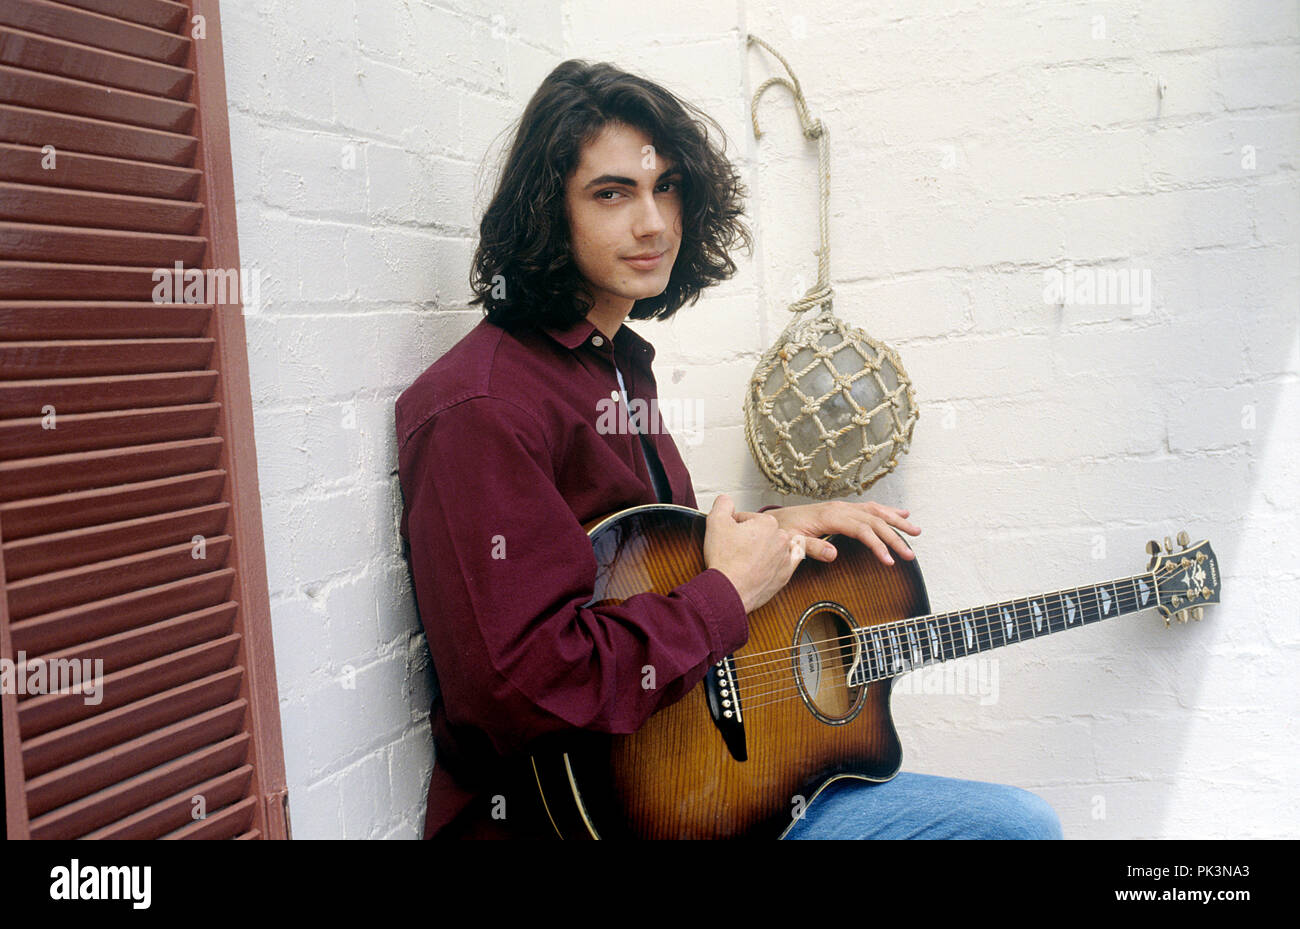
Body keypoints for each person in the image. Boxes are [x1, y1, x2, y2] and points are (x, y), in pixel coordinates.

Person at [395, 59, 1062, 840]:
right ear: (548, 213)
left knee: (1017, 819)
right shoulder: (480, 408)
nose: (654, 223)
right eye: (612, 193)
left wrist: (777, 528)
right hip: (578, 824)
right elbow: (517, 689)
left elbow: (647, 563)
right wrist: (724, 595)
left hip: (704, 782)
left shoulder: (617, 365)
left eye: (668, 187)